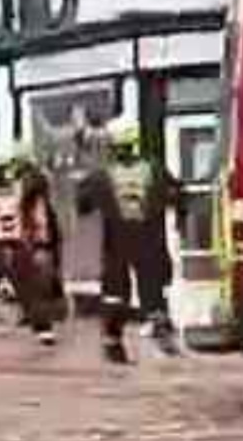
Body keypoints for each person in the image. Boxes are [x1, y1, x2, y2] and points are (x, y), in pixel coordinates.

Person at [77, 113, 183, 364]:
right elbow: (177, 195)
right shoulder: (154, 169)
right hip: (149, 242)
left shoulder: (101, 175)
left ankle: (113, 345)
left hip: (116, 243)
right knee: (153, 292)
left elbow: (83, 206)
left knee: (115, 294)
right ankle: (164, 345)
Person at [0, 138, 60, 344]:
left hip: (12, 245)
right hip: (6, 245)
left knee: (24, 288)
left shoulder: (18, 189)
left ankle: (42, 328)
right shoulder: (1, 190)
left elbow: (38, 216)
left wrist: (40, 242)